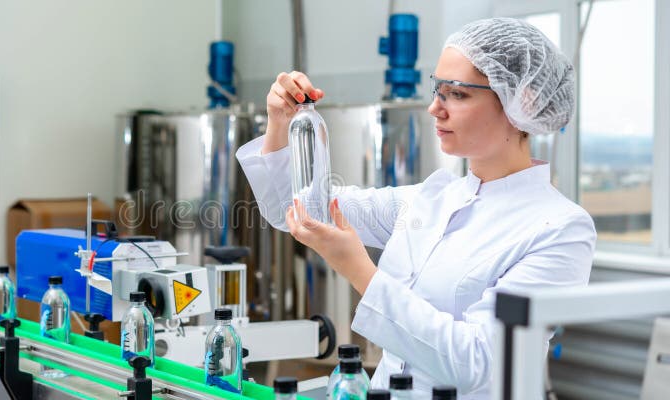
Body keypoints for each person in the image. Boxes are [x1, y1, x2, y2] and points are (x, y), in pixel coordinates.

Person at [236, 17, 596, 399]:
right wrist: (280, 122)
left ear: (525, 101)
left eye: (456, 94)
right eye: (436, 89)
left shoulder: (560, 228)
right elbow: (294, 211)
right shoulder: (429, 198)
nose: (434, 108)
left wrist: (360, 271)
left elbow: (478, 364)